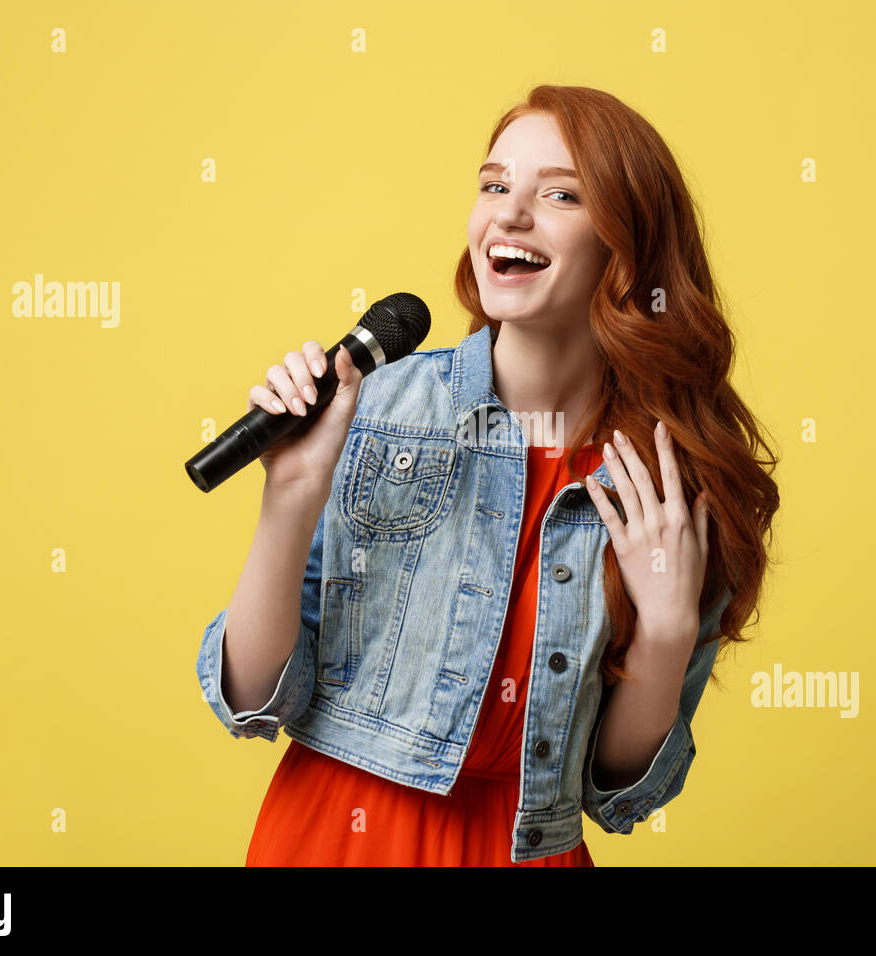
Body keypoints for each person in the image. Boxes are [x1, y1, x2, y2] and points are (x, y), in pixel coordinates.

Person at [197, 85, 780, 866]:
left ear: (628, 246)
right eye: (495, 186)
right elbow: (251, 700)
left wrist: (667, 633)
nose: (510, 215)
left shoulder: (674, 485)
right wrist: (291, 496)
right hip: (338, 840)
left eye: (561, 195)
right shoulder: (374, 407)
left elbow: (618, 793)